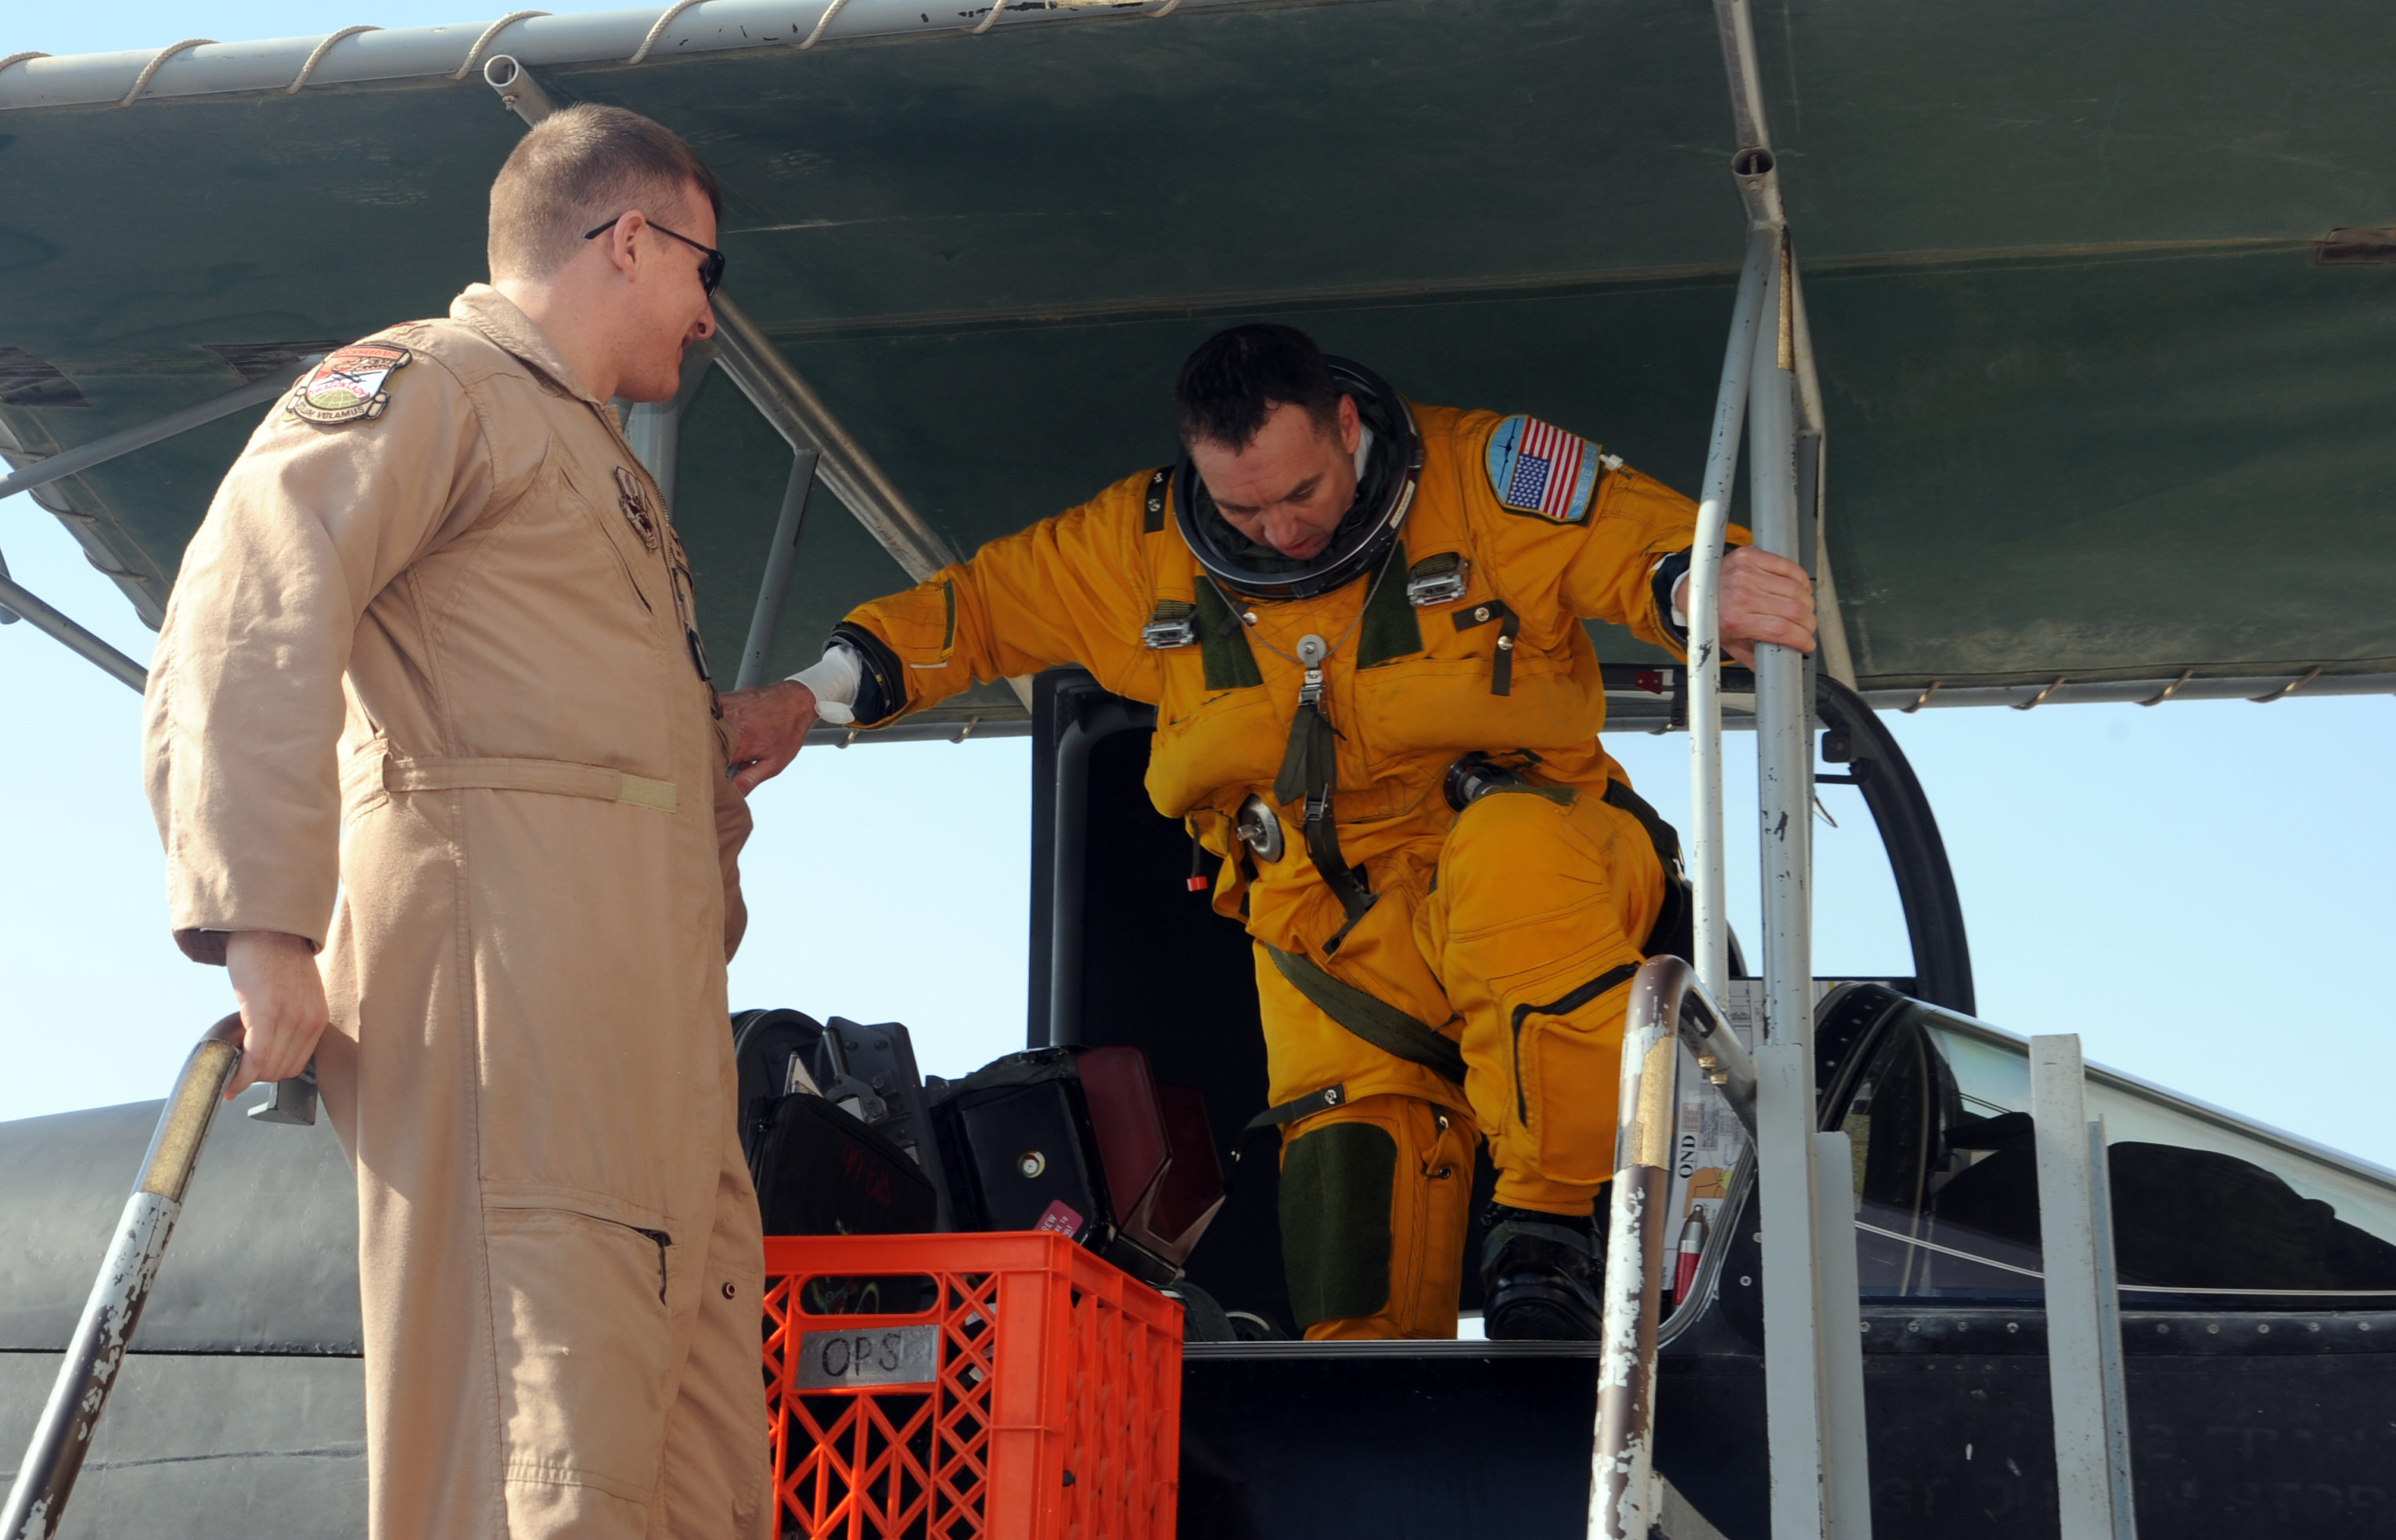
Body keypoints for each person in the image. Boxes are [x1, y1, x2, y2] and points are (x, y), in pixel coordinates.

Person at [721, 325, 1815, 1341]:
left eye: (1302, 493)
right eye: (1243, 511)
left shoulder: (1487, 478)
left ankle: (1552, 1238)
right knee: (1352, 1188)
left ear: (1346, 424)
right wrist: (807, 694)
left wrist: (1701, 582)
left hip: (1540, 854)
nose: (1284, 532)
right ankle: (1375, 1418)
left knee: (1509, 865)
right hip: (1327, 929)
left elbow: (1637, 540)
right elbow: (976, 613)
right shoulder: (1135, 550)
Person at [142, 106, 768, 1538]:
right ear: (629, 242)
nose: (708, 315)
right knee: (528, 1468)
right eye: (705, 271)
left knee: (682, 1484)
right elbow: (252, 599)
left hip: (644, 1055)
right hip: (514, 1035)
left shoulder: (601, 473)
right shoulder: (437, 386)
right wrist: (264, 923)